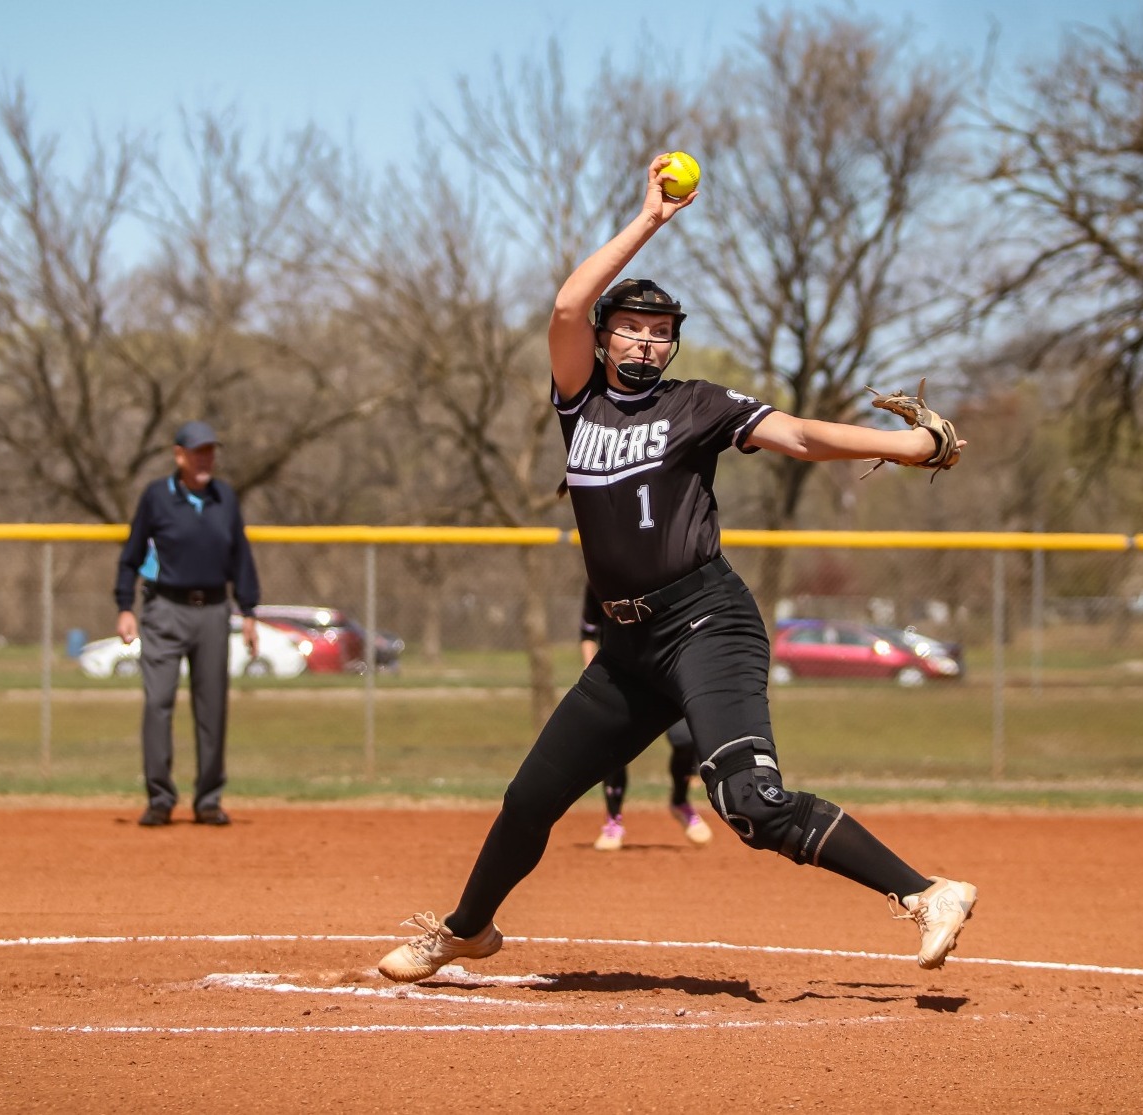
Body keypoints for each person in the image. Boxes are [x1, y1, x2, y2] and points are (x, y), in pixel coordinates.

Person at [376, 155, 976, 984]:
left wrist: (907, 445)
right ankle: (465, 930)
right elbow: (566, 304)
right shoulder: (579, 402)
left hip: (705, 625)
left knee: (749, 804)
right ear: (603, 337)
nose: (646, 340)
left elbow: (800, 436)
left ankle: (926, 892)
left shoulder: (695, 404)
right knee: (529, 799)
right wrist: (651, 219)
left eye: (660, 331)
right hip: (626, 651)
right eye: (630, 326)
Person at [114, 420, 261, 828]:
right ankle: (160, 799)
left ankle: (208, 800)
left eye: (210, 451)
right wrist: (124, 606)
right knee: (158, 703)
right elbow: (131, 555)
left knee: (212, 707)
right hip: (165, 609)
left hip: (213, 610)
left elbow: (241, 558)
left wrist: (249, 612)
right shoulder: (157, 497)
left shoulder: (224, 498)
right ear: (179, 455)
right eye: (198, 451)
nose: (205, 459)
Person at [579, 584, 713, 851]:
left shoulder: (665, 576)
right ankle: (613, 821)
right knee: (613, 745)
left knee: (684, 739)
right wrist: (592, 675)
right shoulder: (601, 578)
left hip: (666, 673)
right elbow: (588, 632)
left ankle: (680, 801)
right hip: (620, 677)